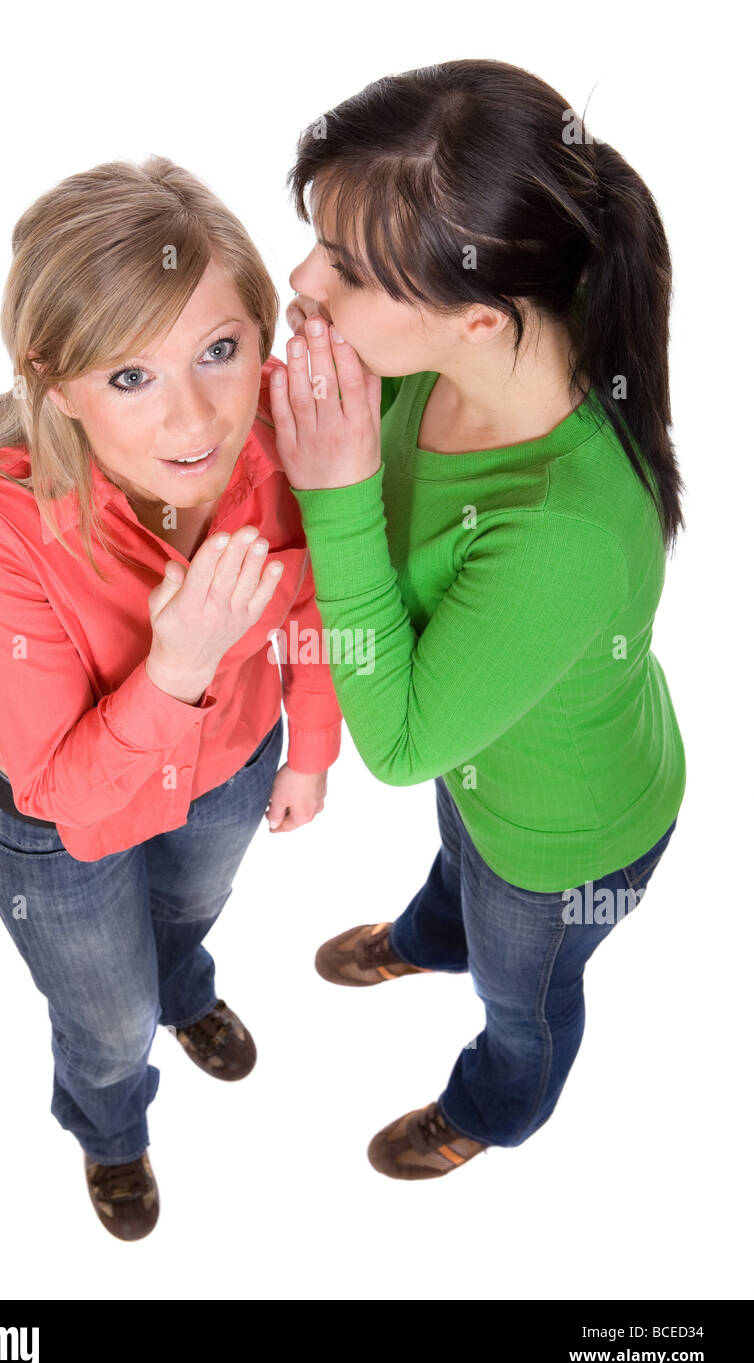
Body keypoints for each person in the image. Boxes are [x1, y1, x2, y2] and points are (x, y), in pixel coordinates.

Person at [271, 58, 686, 1180]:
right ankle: (428, 936)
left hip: (563, 842)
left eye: (347, 269)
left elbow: (401, 745)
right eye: (317, 240)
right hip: (488, 768)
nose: (301, 280)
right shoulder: (442, 367)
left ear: (472, 317)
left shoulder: (567, 533)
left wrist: (336, 490)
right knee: (457, 859)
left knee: (526, 995)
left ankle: (493, 1108)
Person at [0, 156, 342, 1240]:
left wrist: (310, 747)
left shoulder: (274, 432)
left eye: (218, 350)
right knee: (107, 1018)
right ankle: (111, 1130)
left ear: (263, 332)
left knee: (185, 919)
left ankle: (187, 988)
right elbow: (67, 789)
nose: (195, 417)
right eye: (129, 376)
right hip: (57, 826)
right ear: (52, 383)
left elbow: (316, 595)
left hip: (233, 765)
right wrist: (175, 669)